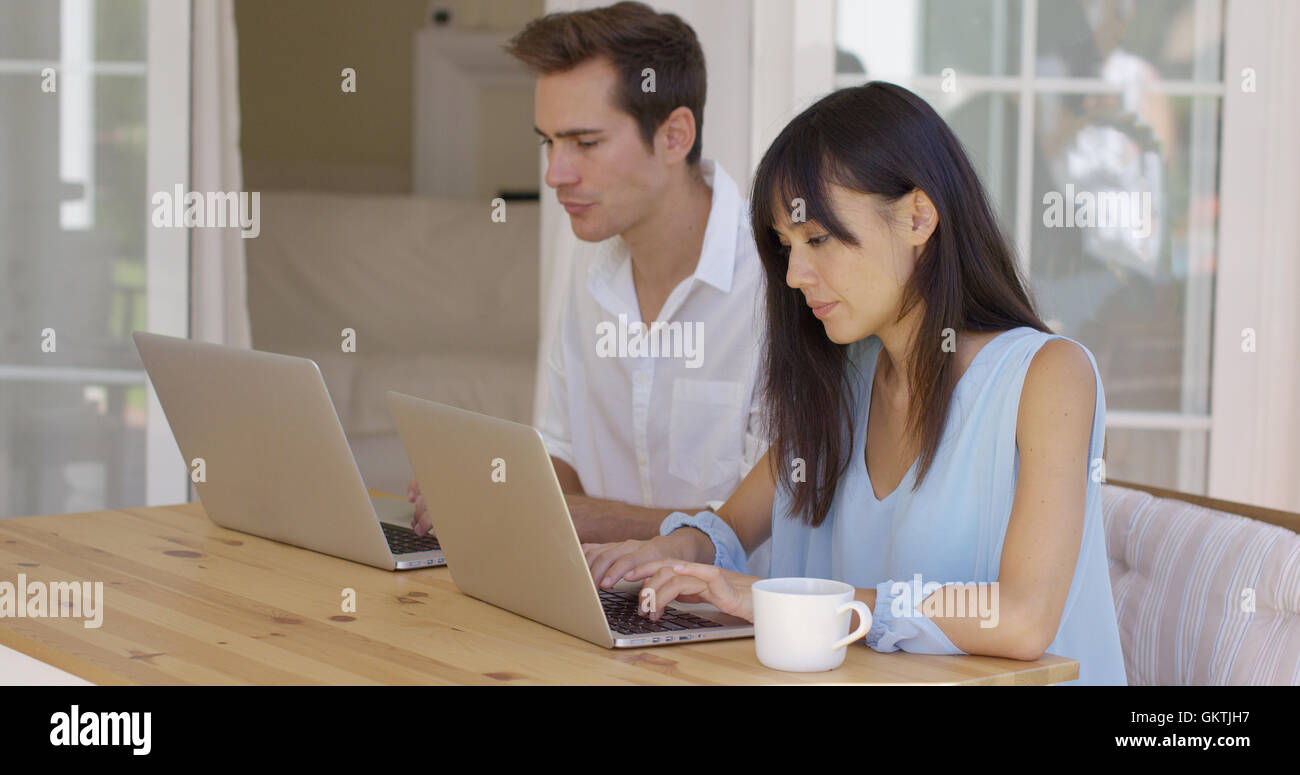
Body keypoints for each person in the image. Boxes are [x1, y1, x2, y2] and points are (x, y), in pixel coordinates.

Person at [583, 81, 1128, 685]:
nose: (794, 274)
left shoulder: (1049, 376)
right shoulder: (844, 377)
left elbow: (1024, 618)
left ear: (919, 216)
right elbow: (733, 528)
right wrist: (672, 552)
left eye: (818, 238)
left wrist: (799, 605)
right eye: (785, 246)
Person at [408, 2, 772, 574]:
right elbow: (563, 451)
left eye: (584, 142)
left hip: (730, 629)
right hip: (595, 602)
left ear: (675, 136)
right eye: (549, 142)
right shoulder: (589, 267)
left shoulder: (781, 282)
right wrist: (492, 490)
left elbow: (777, 518)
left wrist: (586, 517)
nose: (555, 173)